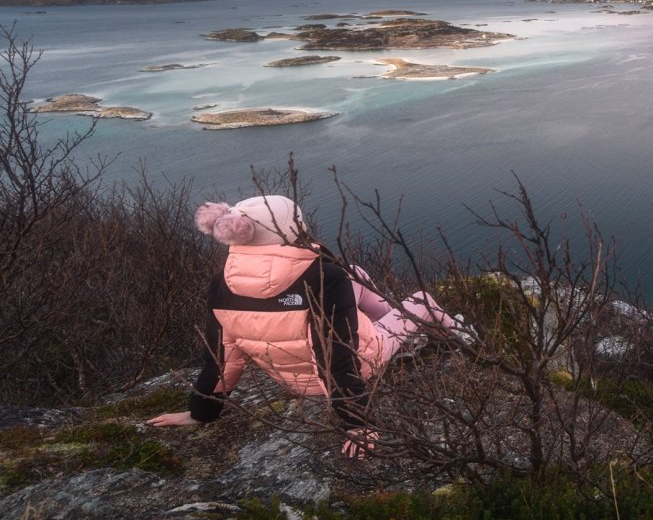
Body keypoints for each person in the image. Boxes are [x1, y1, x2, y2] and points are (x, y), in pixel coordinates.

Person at [147, 194, 454, 457]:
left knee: (353, 273)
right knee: (424, 301)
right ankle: (458, 333)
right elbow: (335, 356)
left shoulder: (223, 283)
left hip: (292, 379)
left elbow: (222, 357)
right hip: (363, 361)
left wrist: (200, 413)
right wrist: (357, 424)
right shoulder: (323, 276)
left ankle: (390, 317)